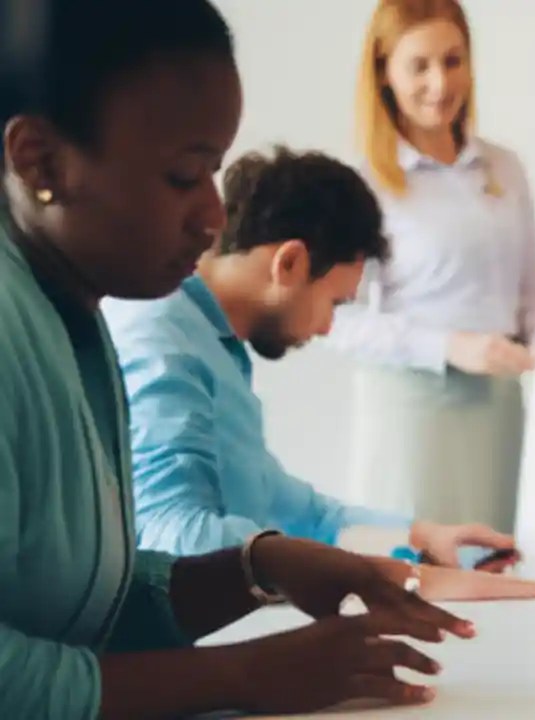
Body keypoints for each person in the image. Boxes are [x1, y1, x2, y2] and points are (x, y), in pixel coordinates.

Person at [0, 1, 472, 717]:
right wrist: (244, 675)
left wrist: (259, 569)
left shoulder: (73, 306)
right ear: (40, 160)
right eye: (185, 176)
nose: (215, 219)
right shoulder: (84, 324)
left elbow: (86, 606)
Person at [102, 146, 535, 602]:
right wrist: (391, 577)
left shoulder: (213, 340)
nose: (326, 327)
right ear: (290, 264)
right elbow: (172, 537)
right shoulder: (160, 337)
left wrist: (421, 537)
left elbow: (291, 506)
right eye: (335, 303)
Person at [327, 0, 535, 534]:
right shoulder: (363, 182)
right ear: (384, 74)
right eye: (419, 65)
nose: (440, 82)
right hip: (411, 409)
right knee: (415, 569)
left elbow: (533, 293)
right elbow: (337, 321)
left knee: (499, 560)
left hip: (500, 406)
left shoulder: (504, 168)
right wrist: (452, 347)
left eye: (453, 60)